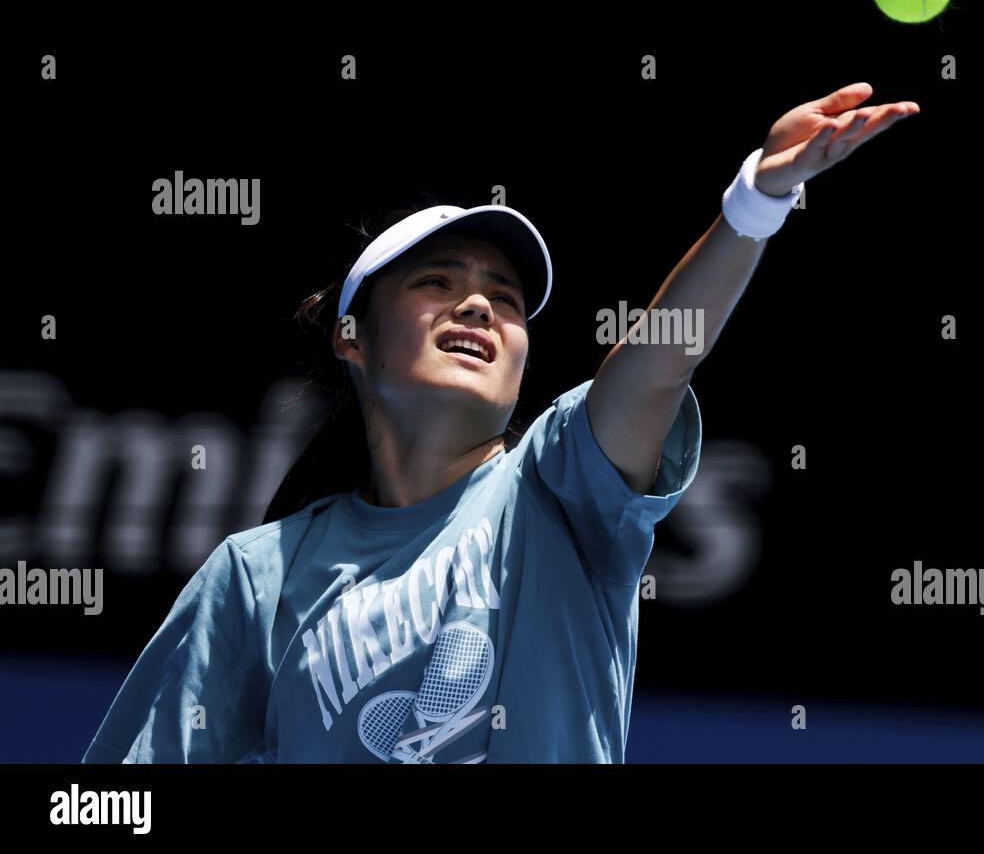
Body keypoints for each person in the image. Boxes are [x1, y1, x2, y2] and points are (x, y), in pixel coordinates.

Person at [81, 82, 918, 763]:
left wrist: (756, 201)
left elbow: (661, 362)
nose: (478, 302)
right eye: (436, 282)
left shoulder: (559, 486)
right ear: (351, 337)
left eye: (506, 298)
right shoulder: (255, 578)